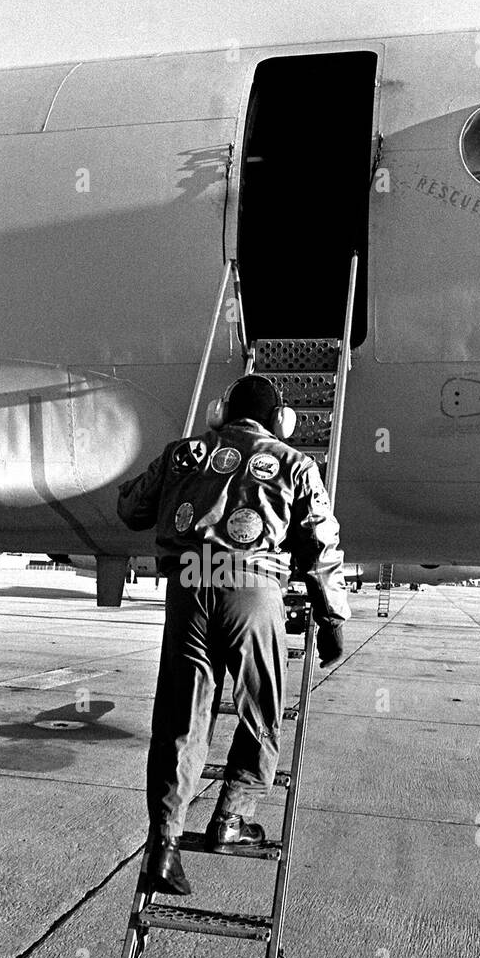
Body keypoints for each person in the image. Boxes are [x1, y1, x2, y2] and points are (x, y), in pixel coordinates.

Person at [117, 374, 350, 895]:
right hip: (250, 588)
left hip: (189, 584)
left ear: (221, 413)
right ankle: (232, 818)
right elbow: (321, 548)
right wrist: (331, 618)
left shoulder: (183, 453)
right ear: (279, 421)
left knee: (181, 717)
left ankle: (164, 845)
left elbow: (130, 509)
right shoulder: (295, 464)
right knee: (261, 709)